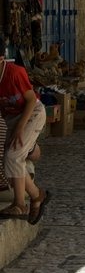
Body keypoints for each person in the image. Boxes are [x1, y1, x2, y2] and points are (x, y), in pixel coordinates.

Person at [0, 34, 50, 224]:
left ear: (1, 59)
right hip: (12, 117)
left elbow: (30, 100)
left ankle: (20, 204)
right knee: (11, 159)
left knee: (13, 156)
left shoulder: (14, 72)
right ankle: (37, 196)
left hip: (32, 113)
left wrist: (20, 128)